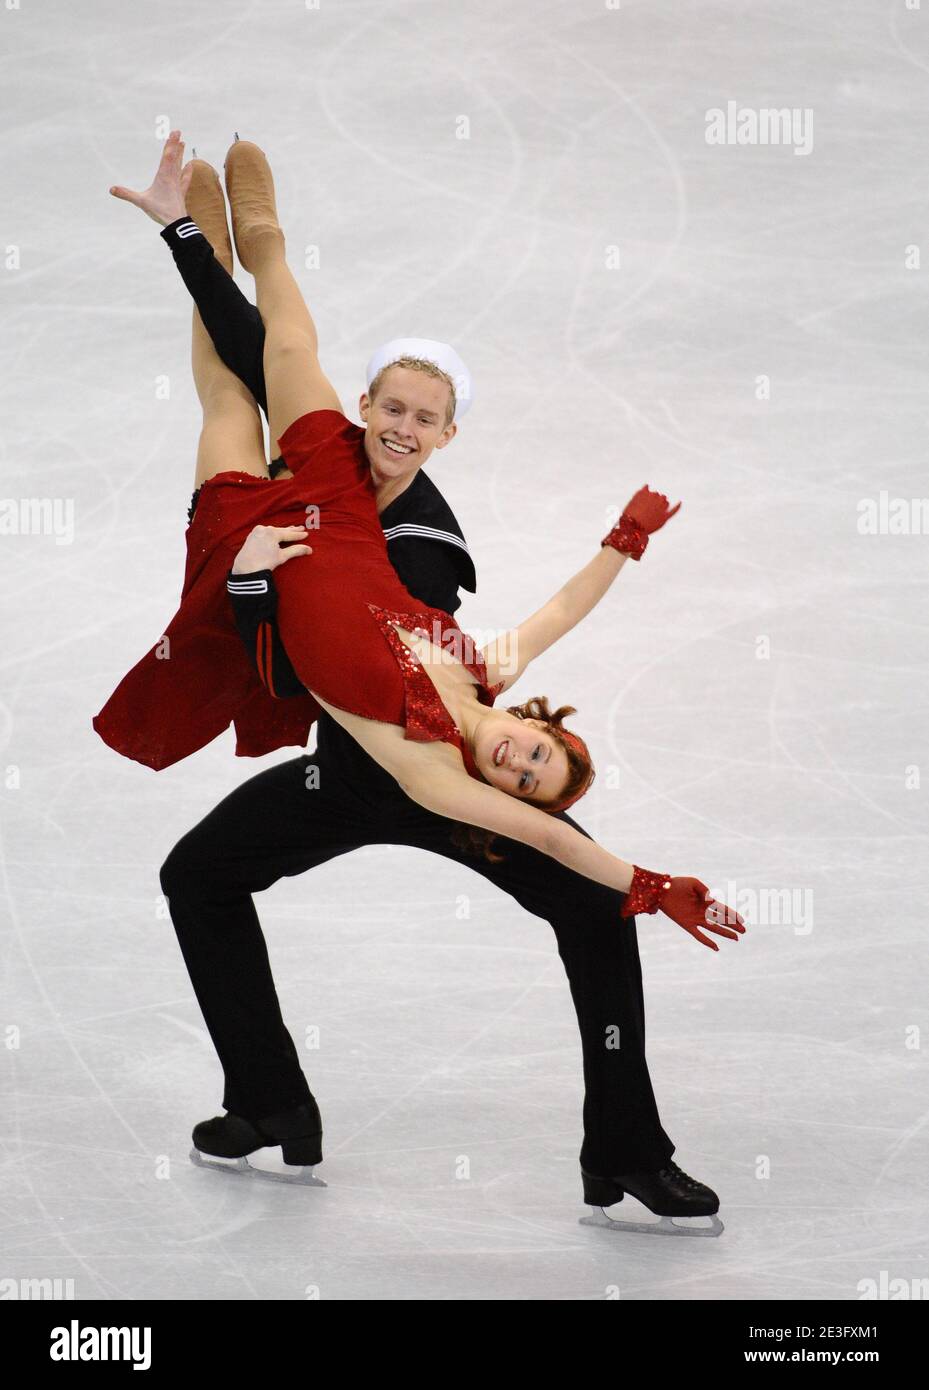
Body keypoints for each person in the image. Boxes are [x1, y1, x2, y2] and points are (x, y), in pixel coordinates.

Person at [99, 132, 744, 1233]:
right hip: (346, 770)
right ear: (367, 411)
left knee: (594, 910)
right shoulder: (366, 501)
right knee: (198, 876)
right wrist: (621, 544)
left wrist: (639, 882)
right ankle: (269, 1102)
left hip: (409, 768)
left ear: (447, 438)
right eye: (385, 412)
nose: (398, 432)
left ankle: (625, 1151)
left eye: (421, 423)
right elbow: (263, 356)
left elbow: (537, 828)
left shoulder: (433, 555)